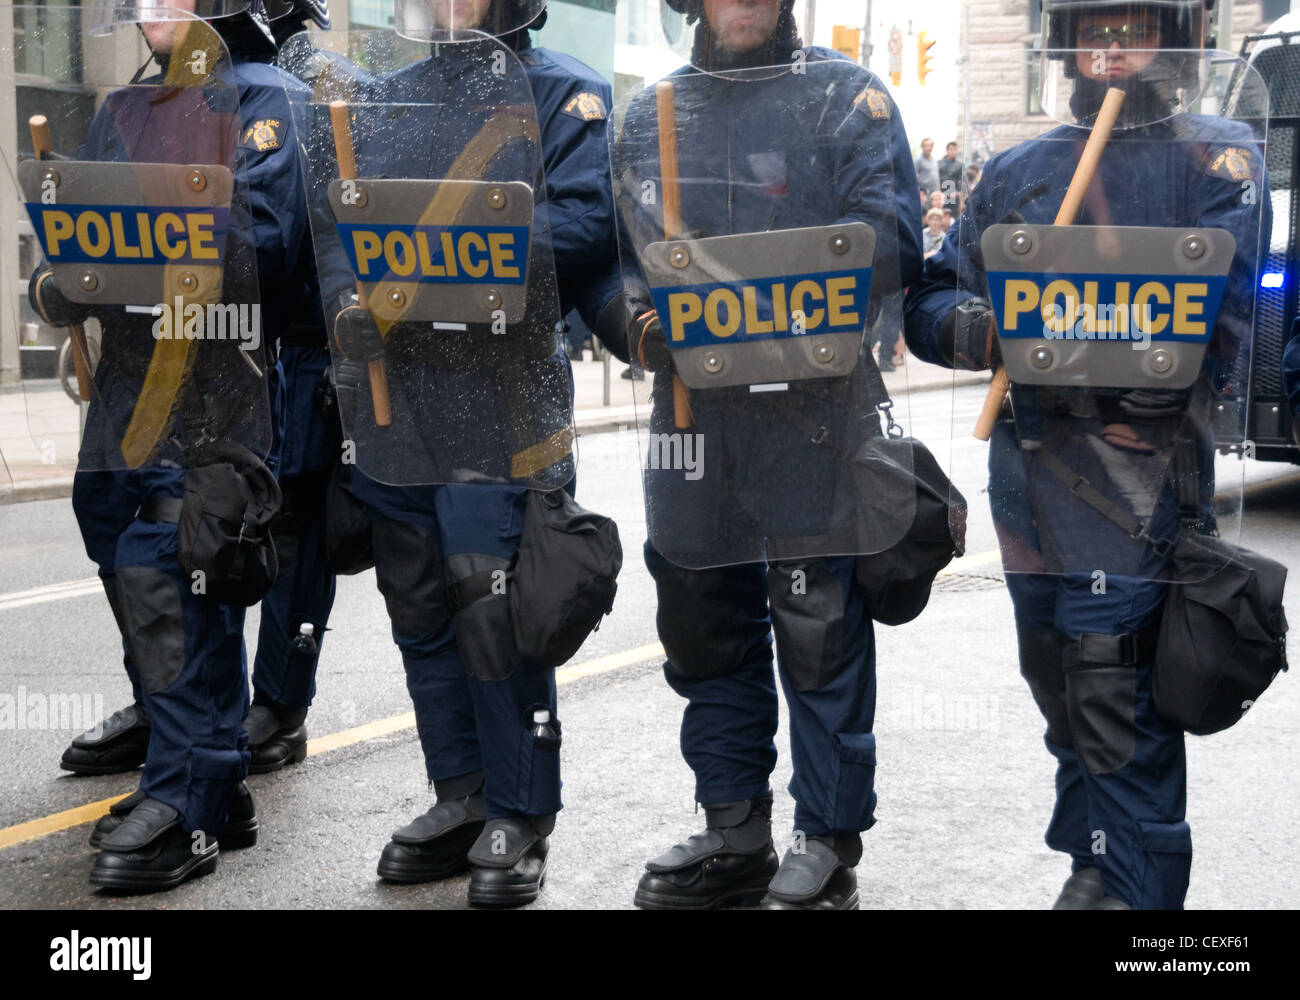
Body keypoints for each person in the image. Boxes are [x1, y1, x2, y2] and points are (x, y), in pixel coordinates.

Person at [904, 0, 1266, 909]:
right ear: (1065, 40)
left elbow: (1232, 312)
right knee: (1062, 685)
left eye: (1134, 24)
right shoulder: (1021, 172)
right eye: (1096, 25)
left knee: (1115, 692)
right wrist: (980, 330)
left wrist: (1176, 365)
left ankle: (1136, 893)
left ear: (1172, 38)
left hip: (1141, 484)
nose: (1112, 45)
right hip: (1029, 486)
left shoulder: (1216, 159)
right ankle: (1092, 860)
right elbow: (932, 303)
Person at [605, 0, 923, 909]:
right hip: (692, 418)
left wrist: (777, 291)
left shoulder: (845, 99)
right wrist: (637, 323)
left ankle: (825, 837)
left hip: (815, 412)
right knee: (704, 622)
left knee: (818, 626)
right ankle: (733, 824)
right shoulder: (649, 115)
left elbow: (893, 240)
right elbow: (618, 257)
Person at [305, 0, 619, 907]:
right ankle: (460, 795)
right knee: (422, 608)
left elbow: (584, 229)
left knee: (498, 607)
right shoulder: (379, 101)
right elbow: (337, 224)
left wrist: (434, 271)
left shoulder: (565, 94)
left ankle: (521, 813)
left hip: (505, 399)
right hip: (399, 404)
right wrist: (344, 308)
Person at [33, 0, 312, 890]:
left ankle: (188, 796)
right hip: (126, 390)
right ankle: (210, 773)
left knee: (177, 559)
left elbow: (262, 244)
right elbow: (82, 234)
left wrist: (137, 249)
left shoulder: (267, 100)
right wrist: (62, 282)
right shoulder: (123, 112)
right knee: (120, 538)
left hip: (211, 389)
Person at [938, 139, 963, 213]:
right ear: (947, 150)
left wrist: (957, 192)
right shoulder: (938, 163)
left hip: (953, 193)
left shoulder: (959, 165)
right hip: (941, 192)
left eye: (955, 149)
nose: (953, 151)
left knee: (952, 213)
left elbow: (960, 180)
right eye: (951, 149)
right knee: (940, 213)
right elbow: (937, 178)